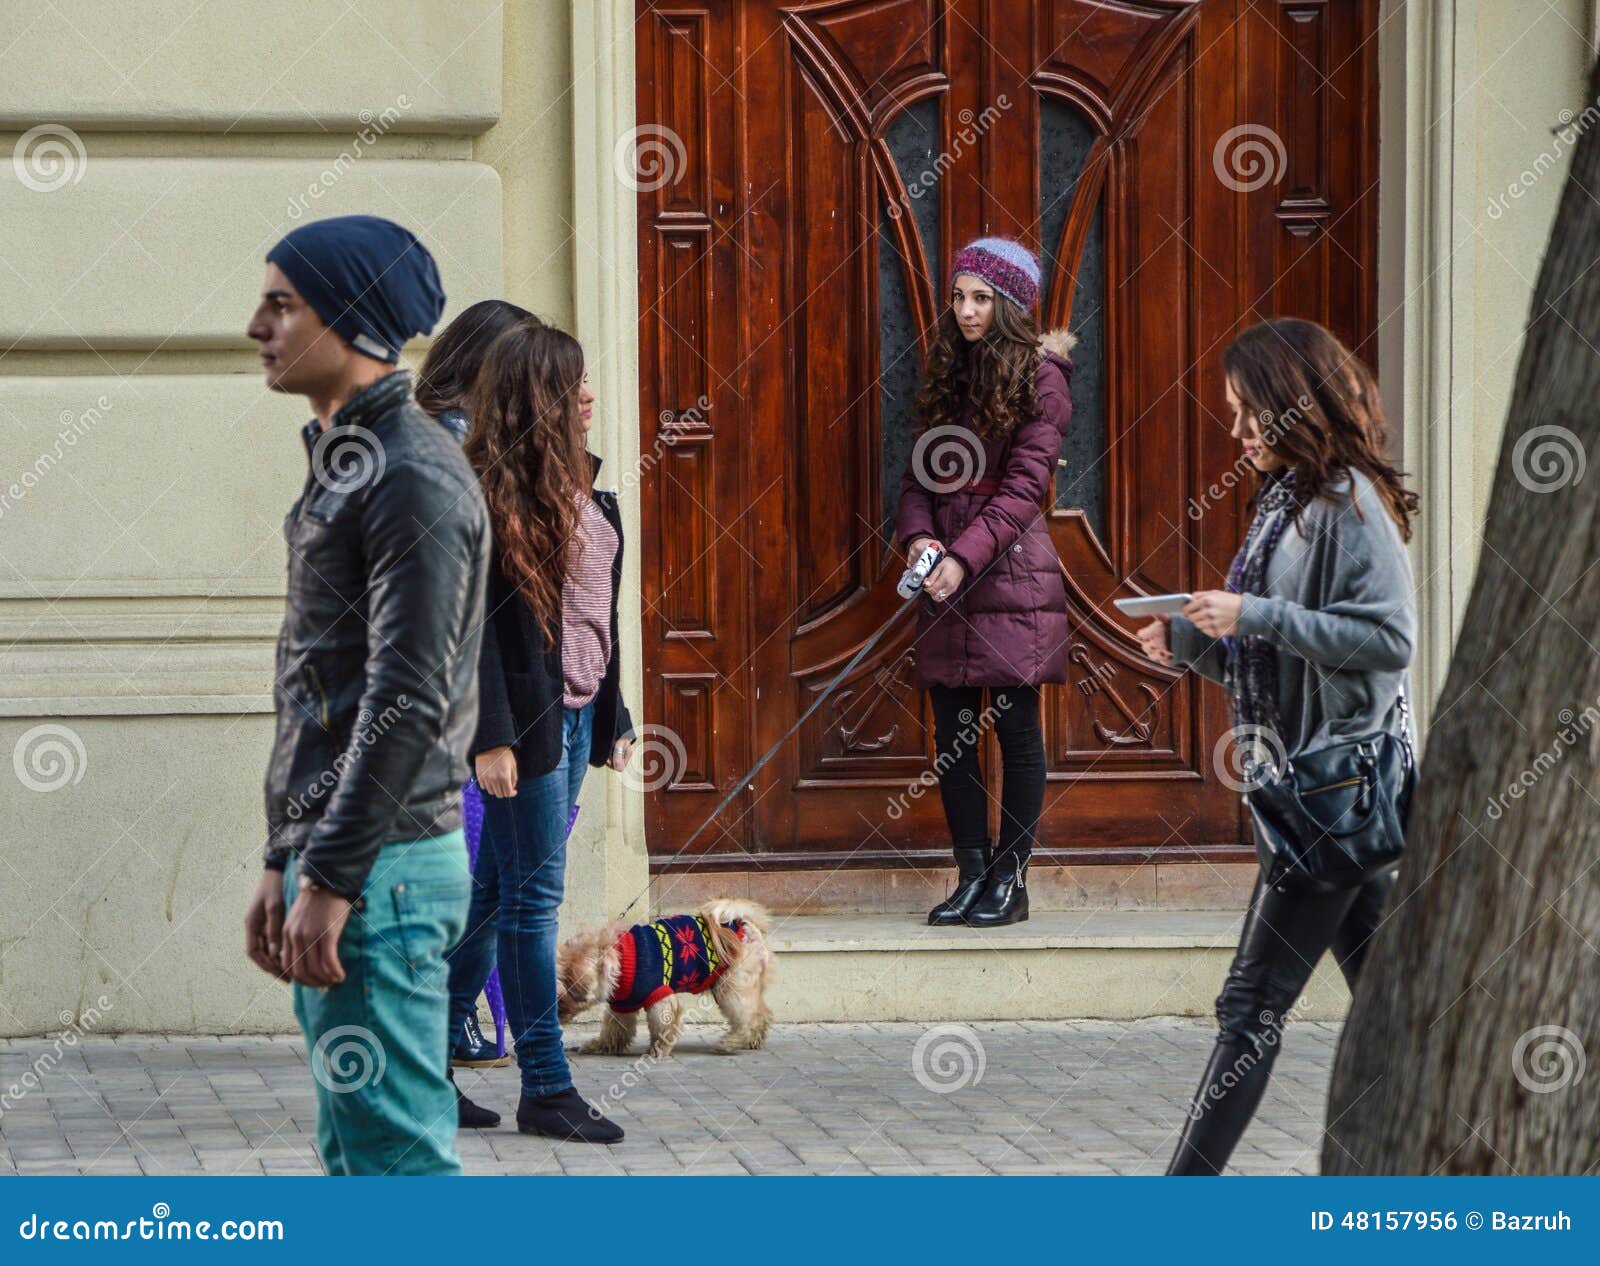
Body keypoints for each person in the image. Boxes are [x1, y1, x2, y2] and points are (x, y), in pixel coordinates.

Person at [1135, 317, 1418, 1176]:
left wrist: (1251, 614)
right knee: (1395, 1005)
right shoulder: (1287, 502)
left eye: (1245, 412)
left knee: (1250, 1005)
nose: (1236, 431)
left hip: (1329, 791)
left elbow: (1389, 639)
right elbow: (1280, 662)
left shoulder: (1351, 506)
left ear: (1290, 405)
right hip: (1306, 788)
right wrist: (1191, 644)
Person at [243, 214, 490, 1176]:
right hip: (349, 857)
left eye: (282, 302)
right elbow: (319, 686)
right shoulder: (349, 460)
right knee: (357, 1158)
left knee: (397, 1166)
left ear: (347, 317)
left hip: (382, 866)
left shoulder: (409, 474)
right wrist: (284, 854)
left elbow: (407, 698)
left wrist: (333, 875)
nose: (256, 325)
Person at [458, 318, 636, 1142]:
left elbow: (597, 617)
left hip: (572, 719)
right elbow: (471, 632)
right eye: (572, 386)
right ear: (539, 401)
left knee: (494, 896)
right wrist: (490, 736)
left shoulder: (585, 492)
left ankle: (424, 1062)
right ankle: (547, 1087)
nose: (591, 395)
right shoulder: (489, 499)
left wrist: (617, 711)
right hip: (523, 731)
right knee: (532, 904)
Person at [895, 237, 1075, 927]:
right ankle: (972, 872)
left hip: (1009, 574)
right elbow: (916, 476)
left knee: (1017, 729)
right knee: (954, 731)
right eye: (959, 296)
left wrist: (963, 559)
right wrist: (920, 540)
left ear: (1010, 306)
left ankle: (1012, 879)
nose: (966, 311)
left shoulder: (1042, 378)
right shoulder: (949, 370)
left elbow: (1024, 490)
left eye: (980, 299)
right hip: (944, 569)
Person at [415, 300, 537, 1130]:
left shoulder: (474, 445)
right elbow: (469, 611)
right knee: (444, 897)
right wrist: (491, 731)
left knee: (478, 888)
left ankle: (437, 1058)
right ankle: (418, 1073)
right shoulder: (447, 451)